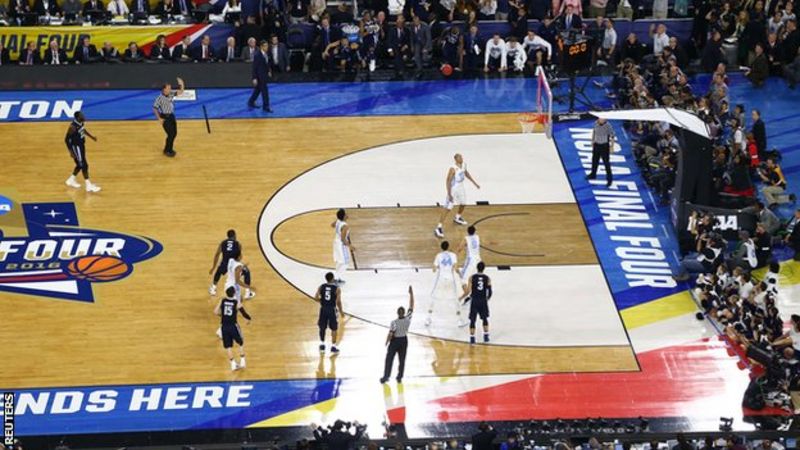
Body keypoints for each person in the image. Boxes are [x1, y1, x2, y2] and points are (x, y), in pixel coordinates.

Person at [434, 153, 480, 238]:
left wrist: (474, 183)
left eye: (462, 157)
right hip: (453, 189)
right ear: (456, 159)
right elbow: (448, 181)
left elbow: (466, 173)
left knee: (463, 203)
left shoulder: (464, 165)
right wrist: (449, 193)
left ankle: (457, 217)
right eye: (460, 158)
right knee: (447, 208)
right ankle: (439, 227)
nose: (462, 158)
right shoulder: (452, 169)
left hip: (460, 187)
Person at [380, 285, 414, 384]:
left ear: (397, 313)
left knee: (389, 359)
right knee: (402, 360)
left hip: (395, 341)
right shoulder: (408, 319)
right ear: (404, 313)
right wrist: (411, 294)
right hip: (404, 340)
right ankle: (399, 377)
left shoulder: (394, 322)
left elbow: (391, 333)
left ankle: (386, 376)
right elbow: (411, 306)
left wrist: (387, 341)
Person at [214, 286, 252, 371]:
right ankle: (242, 361)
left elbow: (215, 312)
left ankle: (233, 364)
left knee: (228, 346)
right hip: (233, 326)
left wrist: (223, 315)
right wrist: (249, 318)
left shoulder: (222, 300)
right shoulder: (236, 302)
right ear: (234, 293)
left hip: (224, 326)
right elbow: (243, 312)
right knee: (240, 342)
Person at [429, 240, 465, 327]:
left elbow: (434, 269)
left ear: (441, 247)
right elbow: (455, 268)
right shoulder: (453, 255)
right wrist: (460, 274)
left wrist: (439, 267)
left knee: (434, 298)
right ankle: (459, 320)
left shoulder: (438, 256)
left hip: (440, 279)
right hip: (450, 279)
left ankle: (428, 318)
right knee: (455, 298)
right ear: (448, 247)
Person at [64, 111, 101, 193]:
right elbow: (66, 139)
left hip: (81, 146)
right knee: (84, 165)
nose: (84, 116)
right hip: (76, 147)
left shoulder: (81, 123)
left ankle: (71, 180)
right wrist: (71, 152)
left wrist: (92, 137)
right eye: (82, 115)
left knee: (80, 164)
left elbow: (83, 130)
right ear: (78, 118)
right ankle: (88, 185)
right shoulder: (73, 127)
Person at [152, 77, 185, 158]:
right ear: (164, 89)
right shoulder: (159, 98)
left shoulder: (170, 94)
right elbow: (155, 108)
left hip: (171, 116)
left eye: (170, 88)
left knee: (174, 133)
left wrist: (181, 84)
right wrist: (159, 118)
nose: (170, 90)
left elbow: (180, 92)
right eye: (168, 88)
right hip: (165, 117)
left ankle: (169, 149)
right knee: (170, 134)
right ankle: (167, 150)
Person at [461, 261, 492, 344]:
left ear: (476, 268)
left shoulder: (471, 277)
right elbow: (490, 292)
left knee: (472, 320)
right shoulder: (487, 278)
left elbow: (468, 291)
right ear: (484, 268)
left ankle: (472, 338)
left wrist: (462, 295)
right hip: (483, 300)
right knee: (485, 318)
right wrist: (487, 299)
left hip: (474, 300)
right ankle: (486, 336)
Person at [314, 272, 344, 354]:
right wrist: (341, 312)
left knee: (322, 327)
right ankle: (333, 347)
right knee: (334, 328)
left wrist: (322, 301)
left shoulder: (321, 286)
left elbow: (315, 298)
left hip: (323, 309)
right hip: (331, 309)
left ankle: (322, 345)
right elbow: (338, 302)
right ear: (333, 279)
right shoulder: (337, 288)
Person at [209, 229, 242, 296]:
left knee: (218, 273)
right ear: (234, 236)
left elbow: (217, 254)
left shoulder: (223, 243)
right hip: (233, 263)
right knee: (236, 276)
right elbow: (239, 257)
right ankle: (238, 291)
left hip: (225, 262)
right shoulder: (238, 244)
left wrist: (213, 267)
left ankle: (213, 288)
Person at [587, 117, 615, 187]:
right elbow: (594, 131)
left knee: (606, 163)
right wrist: (592, 140)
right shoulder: (596, 123)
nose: (601, 120)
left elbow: (612, 136)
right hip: (596, 144)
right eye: (600, 118)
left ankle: (609, 180)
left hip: (604, 146)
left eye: (603, 119)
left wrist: (612, 146)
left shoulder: (608, 126)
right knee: (594, 160)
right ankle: (593, 174)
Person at [248, 40, 272, 112]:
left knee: (257, 90)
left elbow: (267, 63)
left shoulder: (266, 53)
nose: (267, 47)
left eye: (267, 46)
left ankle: (251, 102)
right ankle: (266, 106)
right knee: (265, 92)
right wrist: (254, 78)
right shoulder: (257, 55)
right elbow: (254, 67)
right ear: (261, 47)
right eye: (265, 46)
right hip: (260, 76)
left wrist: (268, 71)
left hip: (264, 75)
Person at [331, 208, 353, 284]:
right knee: (345, 263)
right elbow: (343, 239)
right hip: (341, 245)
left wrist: (338, 220)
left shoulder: (338, 221)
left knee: (339, 262)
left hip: (336, 243)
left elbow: (332, 225)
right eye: (345, 214)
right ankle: (336, 279)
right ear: (343, 216)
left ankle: (336, 278)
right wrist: (350, 246)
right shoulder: (345, 226)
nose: (347, 215)